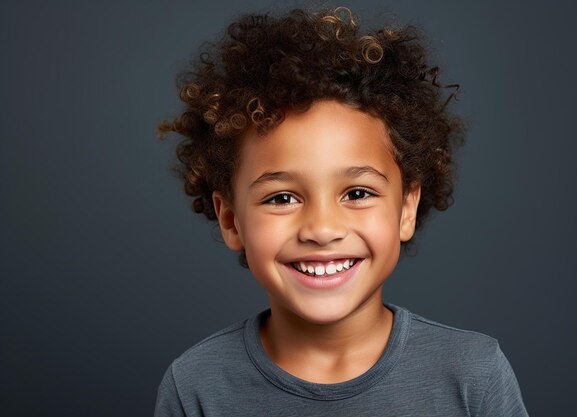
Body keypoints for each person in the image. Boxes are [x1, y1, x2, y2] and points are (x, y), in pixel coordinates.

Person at [154, 6, 529, 416]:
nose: (322, 228)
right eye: (282, 198)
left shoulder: (473, 374)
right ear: (231, 221)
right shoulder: (195, 385)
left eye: (357, 192)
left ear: (407, 207)